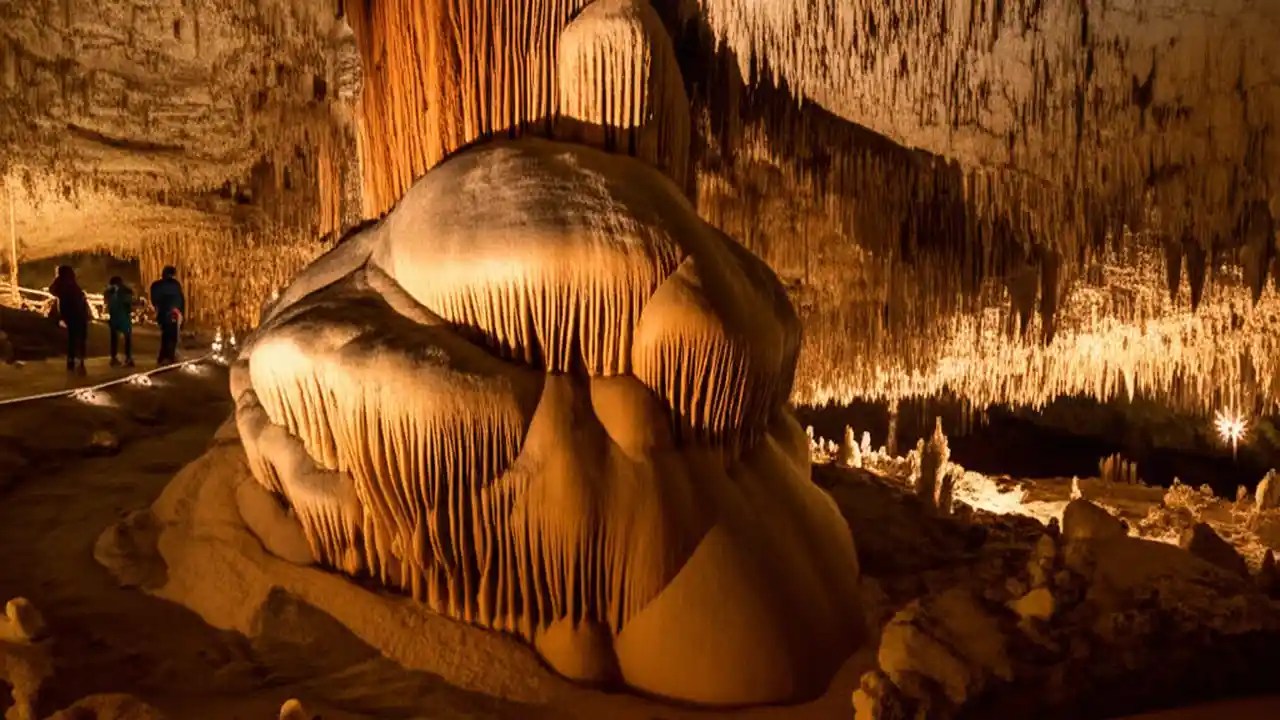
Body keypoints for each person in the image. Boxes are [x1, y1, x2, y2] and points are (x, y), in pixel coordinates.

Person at [47, 265, 90, 375]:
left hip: (70, 314)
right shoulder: (73, 285)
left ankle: (72, 361)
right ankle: (80, 361)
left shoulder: (62, 284)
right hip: (79, 314)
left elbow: (52, 290)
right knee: (80, 338)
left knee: (72, 338)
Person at [150, 265, 185, 366]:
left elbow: (154, 300)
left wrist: (158, 308)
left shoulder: (156, 285)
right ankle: (169, 356)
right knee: (172, 335)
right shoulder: (176, 285)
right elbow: (181, 299)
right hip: (174, 312)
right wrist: (181, 311)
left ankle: (163, 356)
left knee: (165, 333)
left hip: (163, 312)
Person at [104, 276, 135, 367]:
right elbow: (129, 303)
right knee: (125, 338)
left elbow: (108, 304)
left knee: (116, 338)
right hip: (122, 317)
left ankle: (117, 358)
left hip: (117, 317)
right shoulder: (126, 291)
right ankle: (127, 358)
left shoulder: (111, 292)